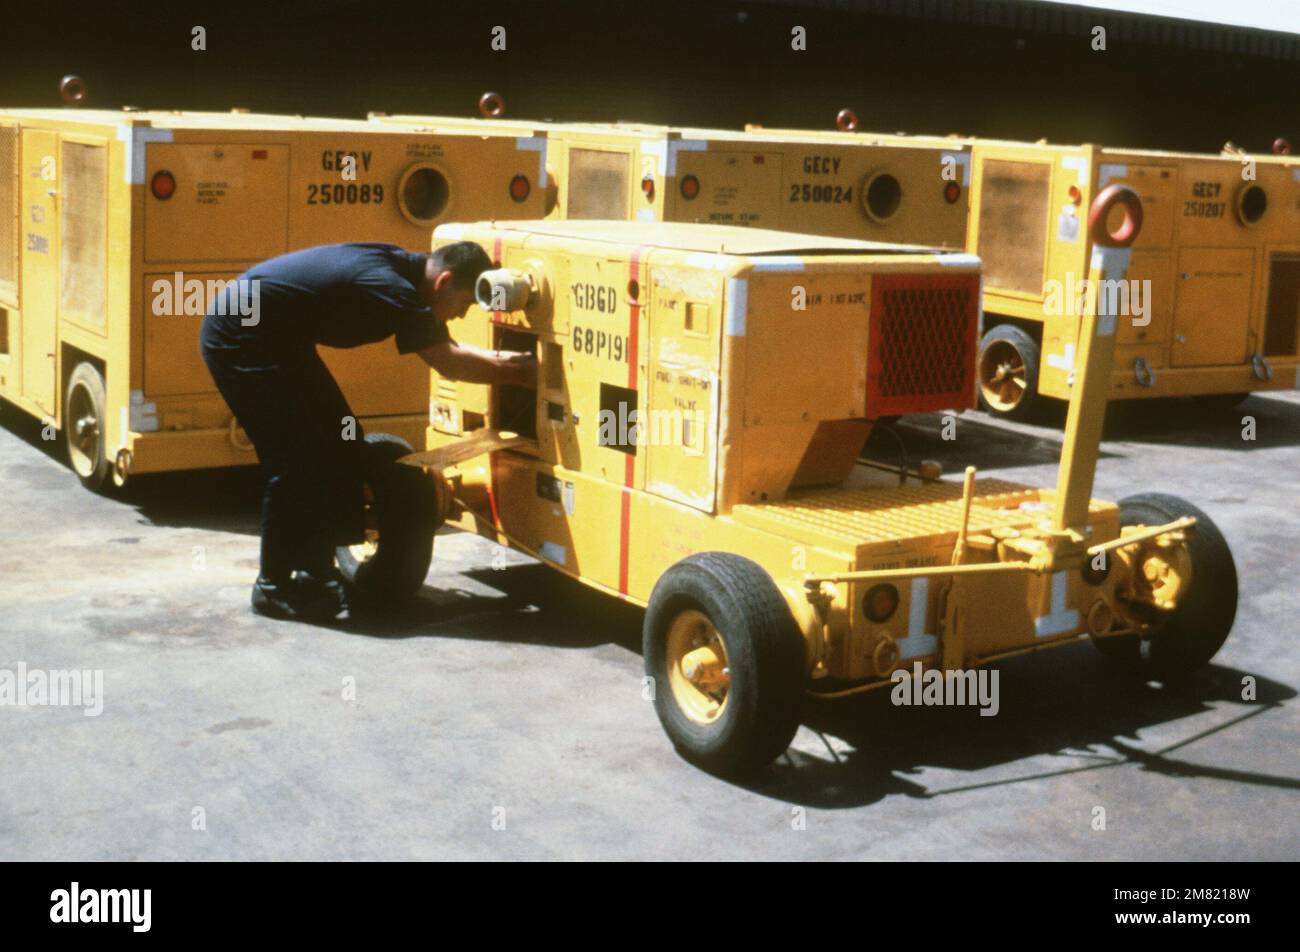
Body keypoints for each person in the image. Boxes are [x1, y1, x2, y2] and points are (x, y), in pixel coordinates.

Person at [200, 242, 535, 621]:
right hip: (239, 336)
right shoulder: (394, 289)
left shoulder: (410, 274)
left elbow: (451, 347)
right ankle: (272, 587)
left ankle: (316, 573)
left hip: (276, 337)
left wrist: (511, 363)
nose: (459, 316)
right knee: (295, 461)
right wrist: (523, 373)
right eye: (462, 306)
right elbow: (450, 362)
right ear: (444, 282)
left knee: (342, 440)